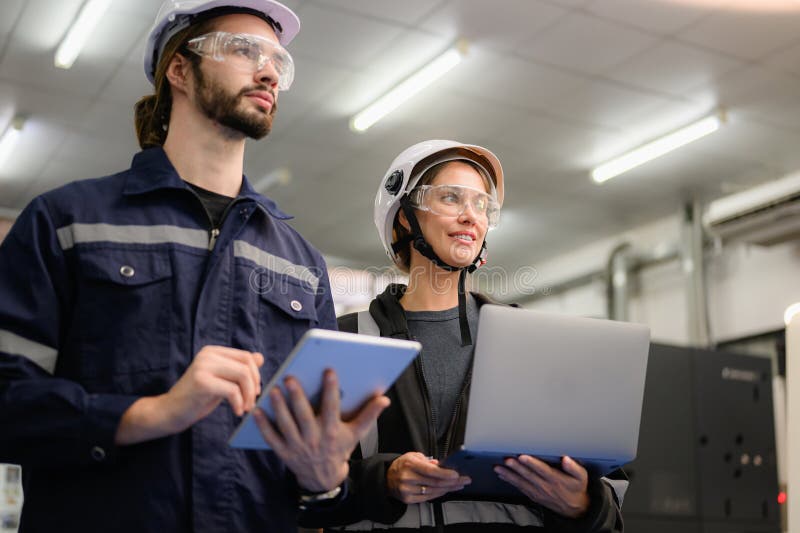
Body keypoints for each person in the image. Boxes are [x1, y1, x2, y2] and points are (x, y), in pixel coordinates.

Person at [0, 1, 387, 531]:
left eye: (278, 60)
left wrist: (325, 480)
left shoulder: (300, 263)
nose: (270, 71)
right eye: (244, 50)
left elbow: (316, 468)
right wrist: (151, 414)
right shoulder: (67, 222)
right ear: (179, 69)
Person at [300, 140, 627, 532]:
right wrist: (381, 480)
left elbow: (608, 492)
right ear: (405, 217)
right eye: (451, 198)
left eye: (481, 204)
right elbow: (305, 490)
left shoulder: (532, 343)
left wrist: (584, 504)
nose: (471, 216)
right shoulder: (346, 340)